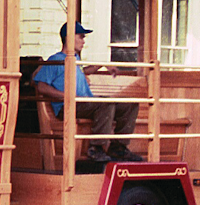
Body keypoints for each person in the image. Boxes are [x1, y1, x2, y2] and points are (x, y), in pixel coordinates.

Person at [32, 21, 143, 162]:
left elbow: (82, 71)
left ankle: (118, 147)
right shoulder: (56, 60)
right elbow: (42, 86)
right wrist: (66, 96)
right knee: (105, 103)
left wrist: (103, 65)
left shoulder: (75, 59)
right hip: (68, 106)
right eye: (81, 37)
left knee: (130, 105)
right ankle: (96, 148)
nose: (84, 41)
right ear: (69, 38)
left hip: (84, 103)